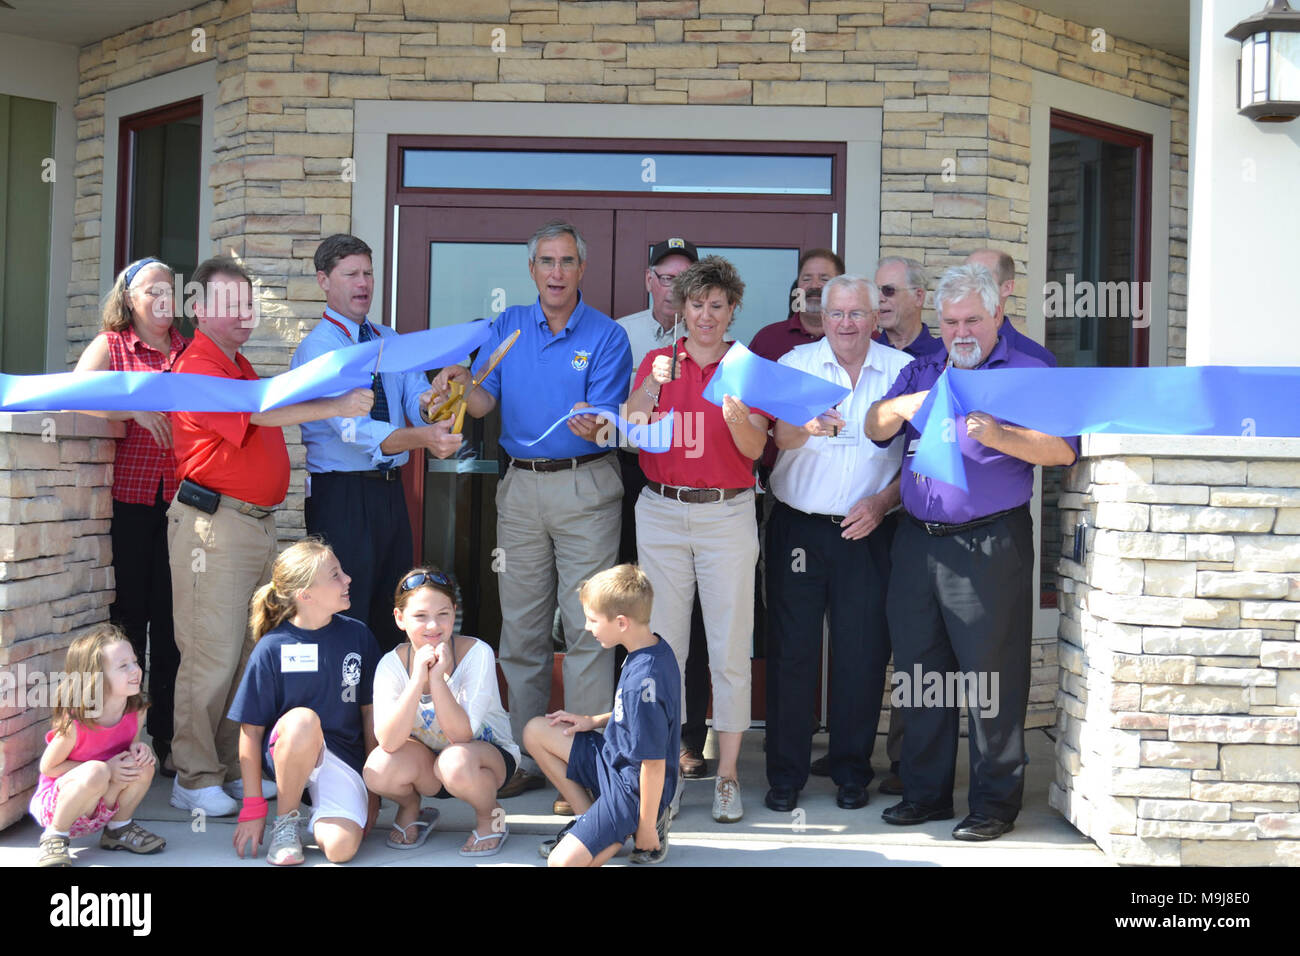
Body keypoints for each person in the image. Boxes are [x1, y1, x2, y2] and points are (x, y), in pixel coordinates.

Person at [865, 264, 1077, 841]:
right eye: (951, 321)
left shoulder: (1029, 368)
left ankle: (993, 804)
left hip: (989, 542)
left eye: (973, 321)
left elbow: (1063, 449)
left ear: (997, 316)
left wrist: (997, 434)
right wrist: (899, 408)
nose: (961, 332)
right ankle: (925, 793)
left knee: (990, 678)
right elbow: (873, 425)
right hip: (916, 542)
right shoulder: (925, 368)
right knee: (919, 671)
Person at [429, 221, 631, 800]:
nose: (557, 272)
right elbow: (485, 398)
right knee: (521, 630)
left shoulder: (608, 335)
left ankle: (585, 761)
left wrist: (595, 424)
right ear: (532, 270)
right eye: (547, 261)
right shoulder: (508, 326)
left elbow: (604, 422)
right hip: (520, 488)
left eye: (567, 261)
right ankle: (523, 755)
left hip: (584, 486)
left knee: (590, 628)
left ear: (581, 269)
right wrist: (463, 384)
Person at [168, 255, 374, 817]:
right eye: (229, 303)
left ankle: (230, 767)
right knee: (210, 653)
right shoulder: (198, 367)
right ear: (199, 309)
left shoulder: (235, 364)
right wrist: (334, 403)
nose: (244, 314)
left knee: (244, 651)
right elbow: (258, 415)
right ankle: (193, 773)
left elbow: (270, 402)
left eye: (248, 302)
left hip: (252, 524)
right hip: (213, 525)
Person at [625, 255, 768, 823]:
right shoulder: (659, 360)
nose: (705, 315)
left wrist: (736, 416)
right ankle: (664, 778)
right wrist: (649, 395)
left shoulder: (746, 365)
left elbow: (757, 449)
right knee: (665, 651)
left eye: (716, 305)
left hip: (727, 515)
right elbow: (633, 431)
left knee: (731, 647)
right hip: (662, 513)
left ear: (732, 309)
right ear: (680, 308)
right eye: (695, 304)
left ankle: (727, 776)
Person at [764, 276, 910, 813]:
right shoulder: (795, 365)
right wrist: (806, 428)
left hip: (870, 529)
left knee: (862, 655)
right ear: (821, 318)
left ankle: (852, 770)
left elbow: (915, 463)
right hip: (800, 526)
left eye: (857, 313)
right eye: (836, 314)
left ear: (876, 318)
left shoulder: (902, 373)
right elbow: (774, 438)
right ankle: (785, 774)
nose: (846, 323)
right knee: (792, 654)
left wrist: (883, 504)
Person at [292, 235, 462, 652]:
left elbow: (414, 401)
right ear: (323, 281)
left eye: (368, 272)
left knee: (392, 610)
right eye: (350, 274)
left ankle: (384, 713)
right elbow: (357, 435)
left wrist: (433, 402)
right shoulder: (319, 350)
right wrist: (424, 438)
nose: (363, 282)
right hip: (342, 496)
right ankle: (344, 714)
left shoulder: (389, 337)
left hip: (389, 492)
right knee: (346, 616)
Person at [74, 257, 187, 777]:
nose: (164, 299)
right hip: (134, 504)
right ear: (128, 298)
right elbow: (76, 394)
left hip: (185, 507)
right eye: (152, 290)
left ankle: (164, 741)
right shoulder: (113, 345)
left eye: (171, 290)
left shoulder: (189, 350)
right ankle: (118, 739)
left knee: (173, 627)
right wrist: (131, 409)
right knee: (129, 624)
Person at [615, 237, 711, 782]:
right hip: (636, 481)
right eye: (665, 276)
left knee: (691, 618)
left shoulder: (712, 338)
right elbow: (616, 411)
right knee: (635, 608)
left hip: (696, 483)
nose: (675, 287)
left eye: (686, 278)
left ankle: (687, 738)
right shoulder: (622, 335)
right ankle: (634, 729)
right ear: (650, 280)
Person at [229, 540, 381, 865]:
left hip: (342, 758)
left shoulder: (359, 636)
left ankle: (320, 810)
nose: (348, 579)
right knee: (302, 721)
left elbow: (370, 714)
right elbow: (250, 732)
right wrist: (253, 807)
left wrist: (372, 792)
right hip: (290, 750)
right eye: (335, 575)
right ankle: (286, 823)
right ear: (305, 594)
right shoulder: (272, 648)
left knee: (341, 850)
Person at [523, 564, 680, 867]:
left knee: (561, 863)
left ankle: (637, 824)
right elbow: (641, 715)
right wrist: (593, 721)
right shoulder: (653, 648)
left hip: (632, 792)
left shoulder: (643, 681)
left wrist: (645, 828)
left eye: (593, 619)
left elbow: (653, 763)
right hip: (613, 762)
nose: (587, 627)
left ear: (621, 622)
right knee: (535, 731)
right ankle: (591, 821)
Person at [364, 567, 519, 856]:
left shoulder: (477, 652)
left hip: (482, 759)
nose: (433, 626)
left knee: (454, 760)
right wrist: (416, 681)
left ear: (455, 613)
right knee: (377, 769)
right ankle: (413, 807)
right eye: (420, 616)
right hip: (426, 763)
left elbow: (461, 735)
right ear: (400, 618)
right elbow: (388, 741)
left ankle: (490, 816)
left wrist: (437, 680)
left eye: (443, 614)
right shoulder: (390, 664)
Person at [32, 624, 165, 867]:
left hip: (100, 803)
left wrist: (139, 751)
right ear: (96, 678)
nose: (136, 670)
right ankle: (54, 836)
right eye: (123, 666)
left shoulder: (136, 710)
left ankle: (119, 829)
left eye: (134, 662)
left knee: (143, 766)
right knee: (97, 771)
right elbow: (49, 768)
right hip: (61, 804)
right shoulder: (77, 721)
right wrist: (105, 767)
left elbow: (128, 747)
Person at [748, 248, 845, 363]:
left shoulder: (858, 338)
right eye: (806, 279)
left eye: (824, 279)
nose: (814, 285)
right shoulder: (767, 339)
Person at [965, 248, 1057, 366]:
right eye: (963, 276)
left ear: (1007, 287)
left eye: (981, 279)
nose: (968, 286)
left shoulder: (1037, 359)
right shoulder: (939, 353)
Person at [873, 256, 945, 359]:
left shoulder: (943, 355)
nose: (879, 298)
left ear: (918, 297)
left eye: (888, 290)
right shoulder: (865, 354)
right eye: (875, 291)